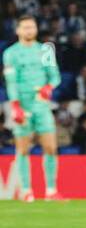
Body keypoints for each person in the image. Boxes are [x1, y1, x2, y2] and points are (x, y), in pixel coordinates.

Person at [4, 15, 65, 201]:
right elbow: (11, 81)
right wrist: (15, 106)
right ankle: (26, 190)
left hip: (41, 105)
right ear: (18, 30)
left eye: (32, 27)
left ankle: (51, 191)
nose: (29, 30)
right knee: (22, 149)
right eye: (25, 27)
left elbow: (55, 77)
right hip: (22, 104)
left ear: (36, 29)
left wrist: (49, 87)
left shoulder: (46, 50)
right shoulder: (11, 53)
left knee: (50, 147)